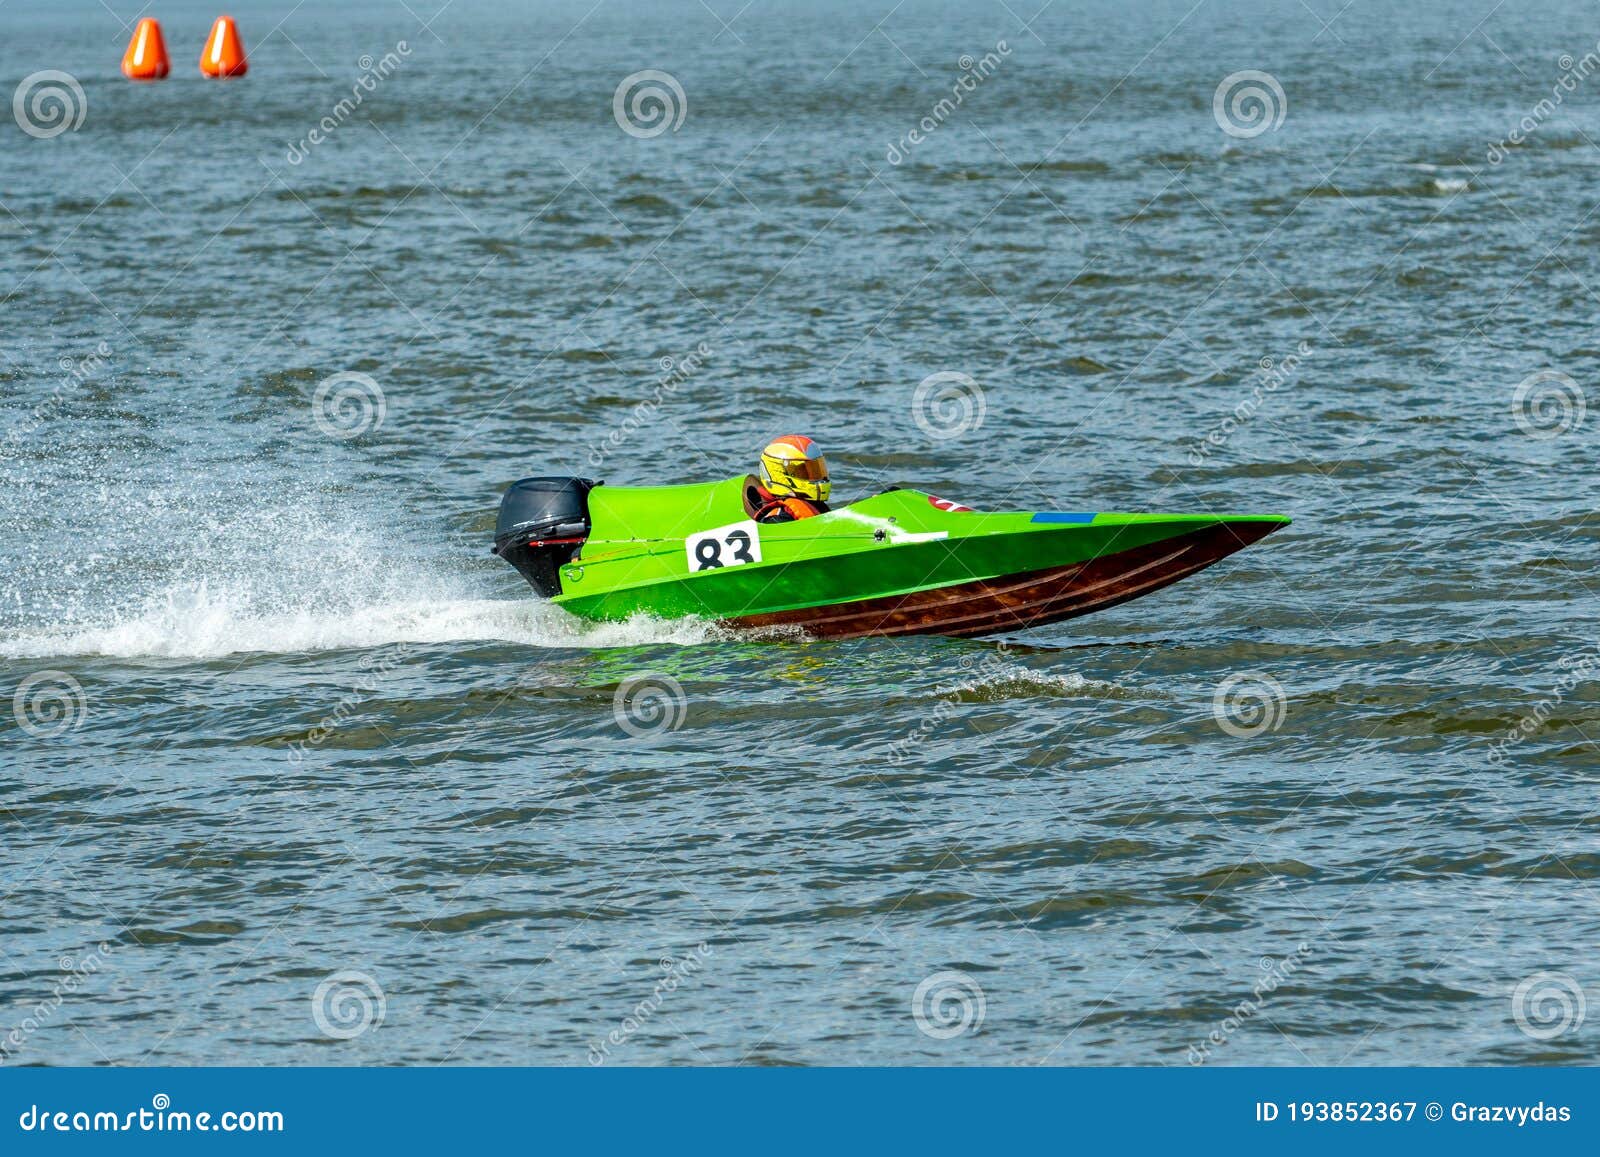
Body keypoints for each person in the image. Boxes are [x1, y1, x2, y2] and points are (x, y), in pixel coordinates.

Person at [747, 435, 831, 523]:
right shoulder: (777, 518)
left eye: (815, 470)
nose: (814, 477)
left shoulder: (815, 505)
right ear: (778, 474)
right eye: (802, 472)